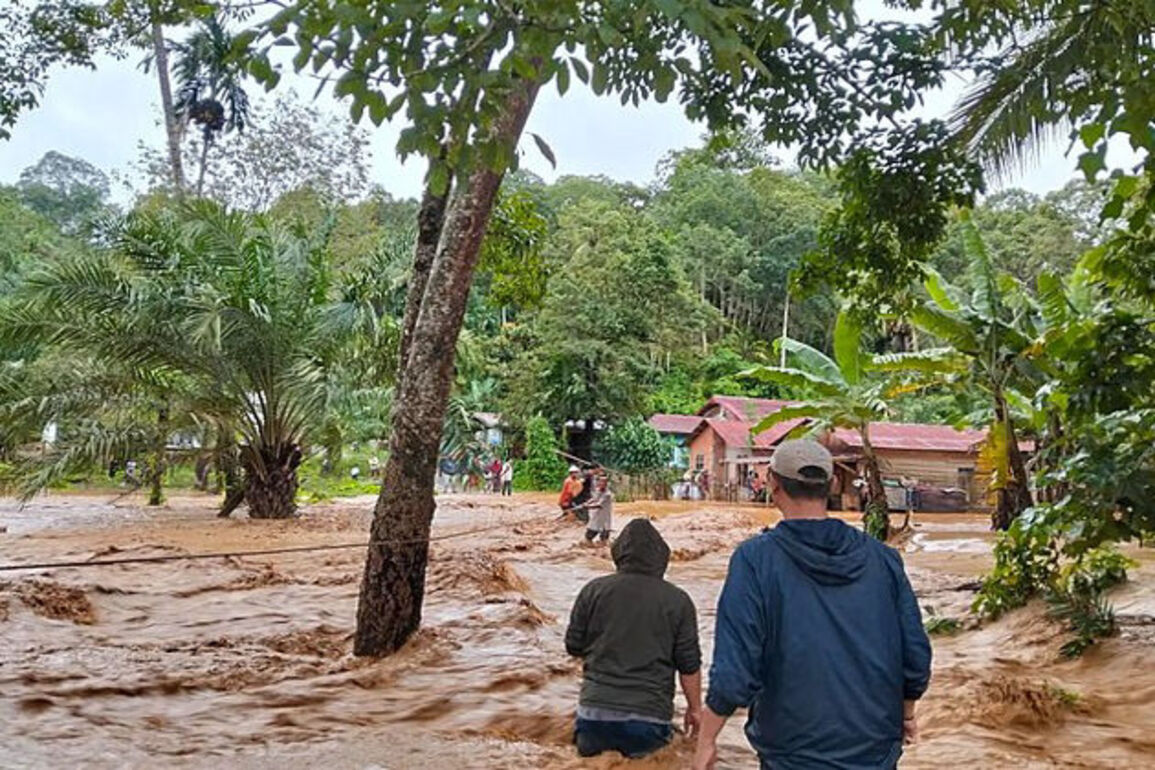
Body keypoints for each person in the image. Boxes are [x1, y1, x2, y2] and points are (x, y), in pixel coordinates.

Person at [693, 439, 932, 770]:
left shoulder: (755, 560)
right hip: (875, 750)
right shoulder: (884, 560)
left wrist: (706, 740)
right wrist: (906, 713)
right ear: (833, 485)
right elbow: (915, 654)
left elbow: (735, 671)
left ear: (773, 484)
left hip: (791, 753)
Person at [566, 518, 702, 759]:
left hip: (593, 714)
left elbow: (574, 646)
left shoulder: (592, 591)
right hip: (648, 719)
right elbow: (689, 665)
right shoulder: (678, 601)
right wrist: (695, 709)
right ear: (661, 557)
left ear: (618, 554)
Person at [583, 476, 614, 545]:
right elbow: (594, 499)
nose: (601, 483)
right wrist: (587, 503)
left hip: (604, 516)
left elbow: (598, 505)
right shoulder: (597, 490)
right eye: (600, 481)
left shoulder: (607, 494)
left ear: (606, 484)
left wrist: (587, 506)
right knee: (589, 534)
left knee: (604, 537)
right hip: (597, 516)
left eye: (603, 482)